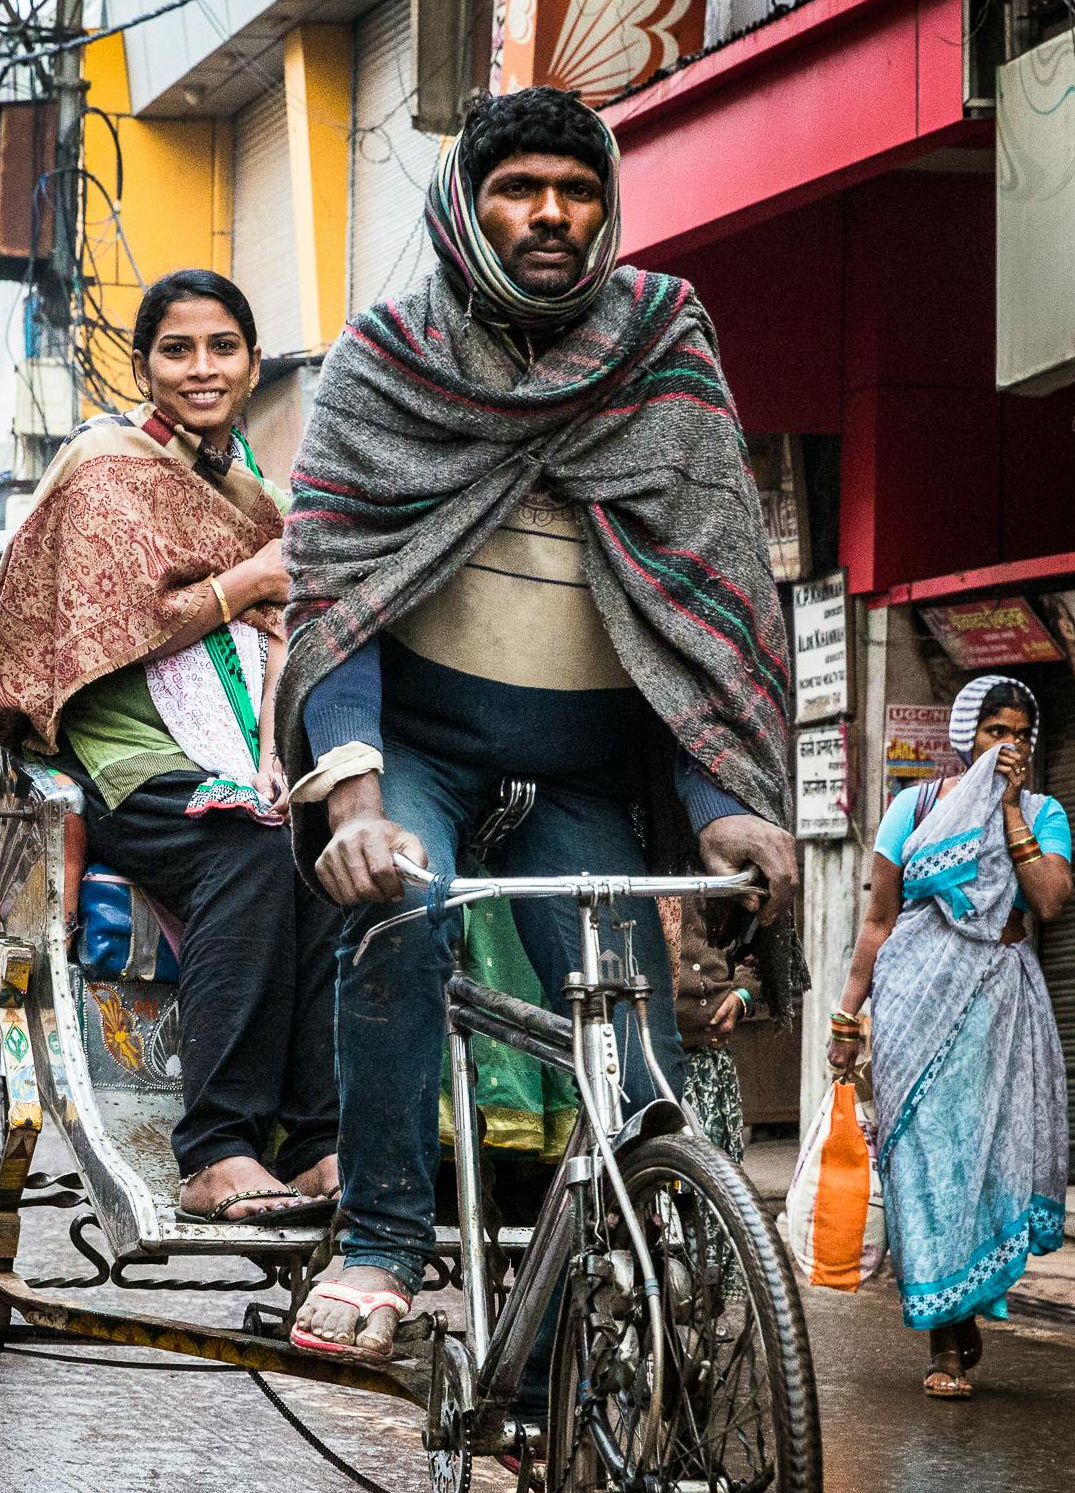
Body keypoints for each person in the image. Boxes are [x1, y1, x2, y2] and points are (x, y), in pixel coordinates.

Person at [277, 86, 796, 1361]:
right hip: (423, 755)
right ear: (467, 205)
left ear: (607, 205)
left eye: (576, 188)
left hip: (585, 775)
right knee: (398, 903)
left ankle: (590, 1343)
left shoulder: (664, 342)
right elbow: (333, 603)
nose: (550, 212)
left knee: (629, 1029)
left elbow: (701, 616)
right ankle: (382, 1243)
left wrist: (731, 807)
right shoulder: (388, 358)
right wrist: (350, 803)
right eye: (519, 188)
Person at [0, 269, 342, 1226]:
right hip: (119, 755)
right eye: (177, 350)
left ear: (256, 362)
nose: (203, 368)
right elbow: (101, 629)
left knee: (332, 853)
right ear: (142, 366)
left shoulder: (251, 483)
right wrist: (251, 581)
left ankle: (314, 1143)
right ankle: (216, 1149)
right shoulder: (105, 467)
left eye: (223, 347)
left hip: (234, 737)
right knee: (253, 849)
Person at [826, 679, 1073, 1398]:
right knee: (930, 1165)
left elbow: (1050, 900)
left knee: (990, 1161)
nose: (1010, 745)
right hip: (913, 1005)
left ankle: (965, 1308)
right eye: (996, 730)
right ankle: (944, 1343)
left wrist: (1003, 810)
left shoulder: (1042, 811)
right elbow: (879, 923)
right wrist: (848, 1020)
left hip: (1000, 1011)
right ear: (968, 734)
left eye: (1021, 733)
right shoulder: (915, 807)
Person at [663, 894, 765, 1158]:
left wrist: (742, 995)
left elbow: (761, 941)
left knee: (716, 1172)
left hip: (709, 1061)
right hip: (653, 1057)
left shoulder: (723, 870)